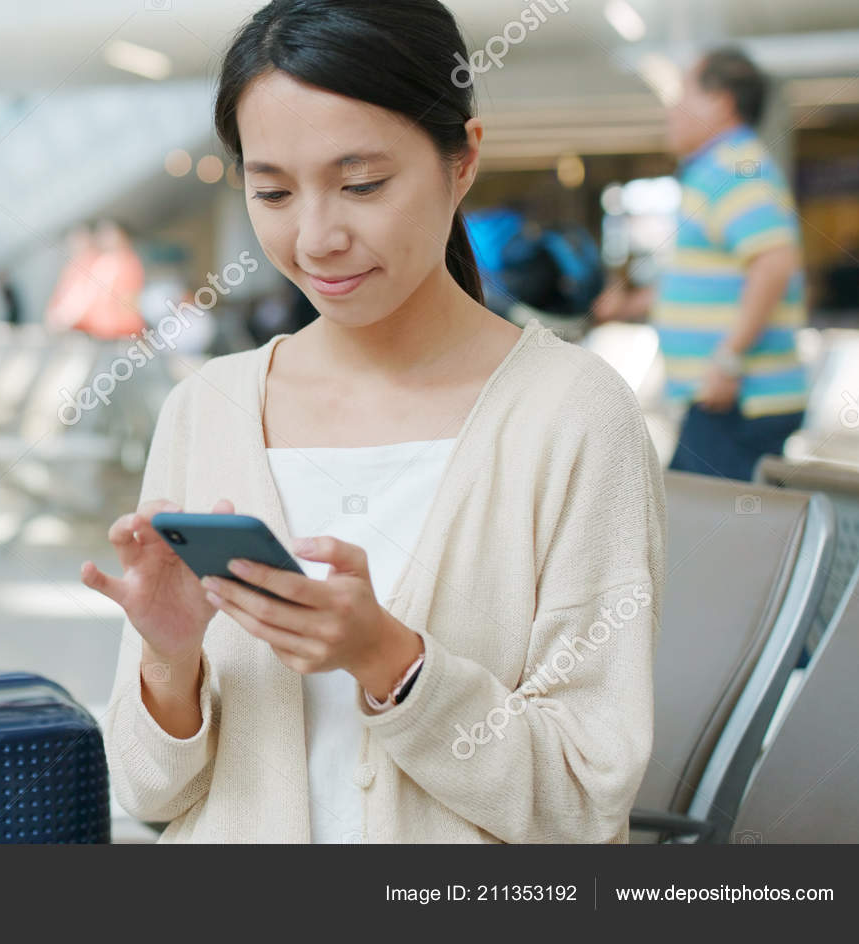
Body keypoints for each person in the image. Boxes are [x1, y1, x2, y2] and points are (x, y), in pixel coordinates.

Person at [80, 0, 665, 843]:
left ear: (460, 161)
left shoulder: (573, 416)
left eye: (362, 185)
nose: (316, 237)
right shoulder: (207, 409)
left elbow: (580, 802)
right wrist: (170, 664)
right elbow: (150, 796)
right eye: (273, 190)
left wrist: (390, 660)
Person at [599, 48, 808, 481]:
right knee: (685, 518)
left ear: (721, 101)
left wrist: (729, 361)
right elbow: (708, 280)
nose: (671, 111)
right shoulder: (718, 170)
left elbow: (773, 262)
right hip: (722, 402)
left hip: (737, 401)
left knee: (724, 540)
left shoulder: (733, 169)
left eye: (682, 97)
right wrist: (632, 305)